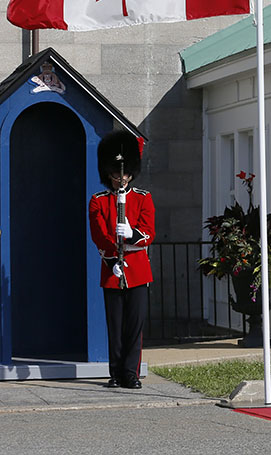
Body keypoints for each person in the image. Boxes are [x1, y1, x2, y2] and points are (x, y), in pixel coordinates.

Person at [89, 131, 155, 389]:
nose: (120, 179)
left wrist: (132, 234)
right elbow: (98, 234)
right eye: (116, 175)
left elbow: (149, 232)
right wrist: (111, 259)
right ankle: (115, 372)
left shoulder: (143, 198)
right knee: (114, 326)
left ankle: (131, 372)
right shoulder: (98, 201)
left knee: (134, 326)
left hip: (138, 268)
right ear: (108, 174)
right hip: (112, 269)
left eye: (124, 175)